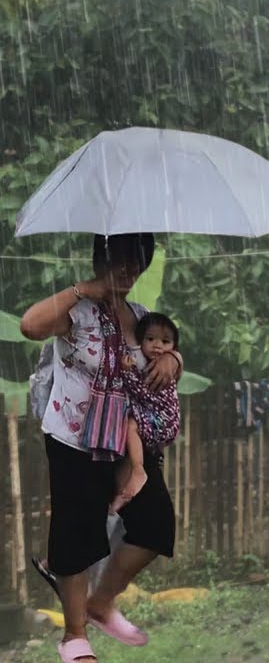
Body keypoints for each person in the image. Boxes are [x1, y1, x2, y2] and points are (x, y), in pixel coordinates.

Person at [20, 233, 181, 663]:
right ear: (100, 260)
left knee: (155, 525)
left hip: (124, 444)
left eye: (137, 261)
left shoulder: (142, 315)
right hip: (74, 439)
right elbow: (30, 326)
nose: (129, 270)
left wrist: (172, 360)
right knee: (76, 534)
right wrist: (81, 291)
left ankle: (101, 602)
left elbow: (164, 346)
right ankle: (75, 637)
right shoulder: (78, 310)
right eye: (119, 261)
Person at [111, 313, 183, 514]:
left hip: (163, 421)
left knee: (132, 425)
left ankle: (138, 469)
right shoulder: (153, 365)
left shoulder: (162, 371)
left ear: (174, 348)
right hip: (159, 419)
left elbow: (144, 395)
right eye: (150, 339)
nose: (157, 345)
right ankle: (123, 496)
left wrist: (127, 372)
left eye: (165, 341)